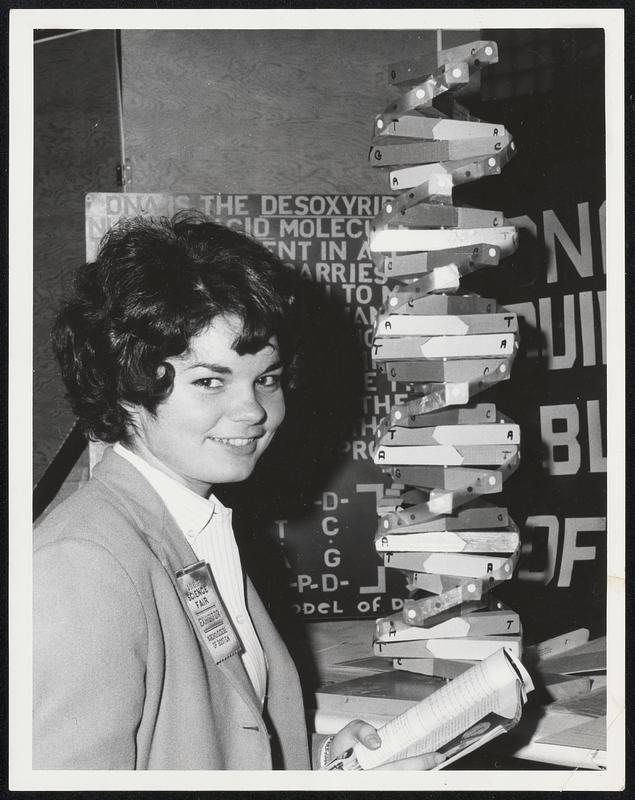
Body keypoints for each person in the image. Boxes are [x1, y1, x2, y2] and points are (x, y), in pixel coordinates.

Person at [33, 212, 443, 771]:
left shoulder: (194, 522)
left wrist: (324, 769)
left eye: (266, 379)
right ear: (126, 389)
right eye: (209, 381)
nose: (253, 410)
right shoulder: (83, 565)